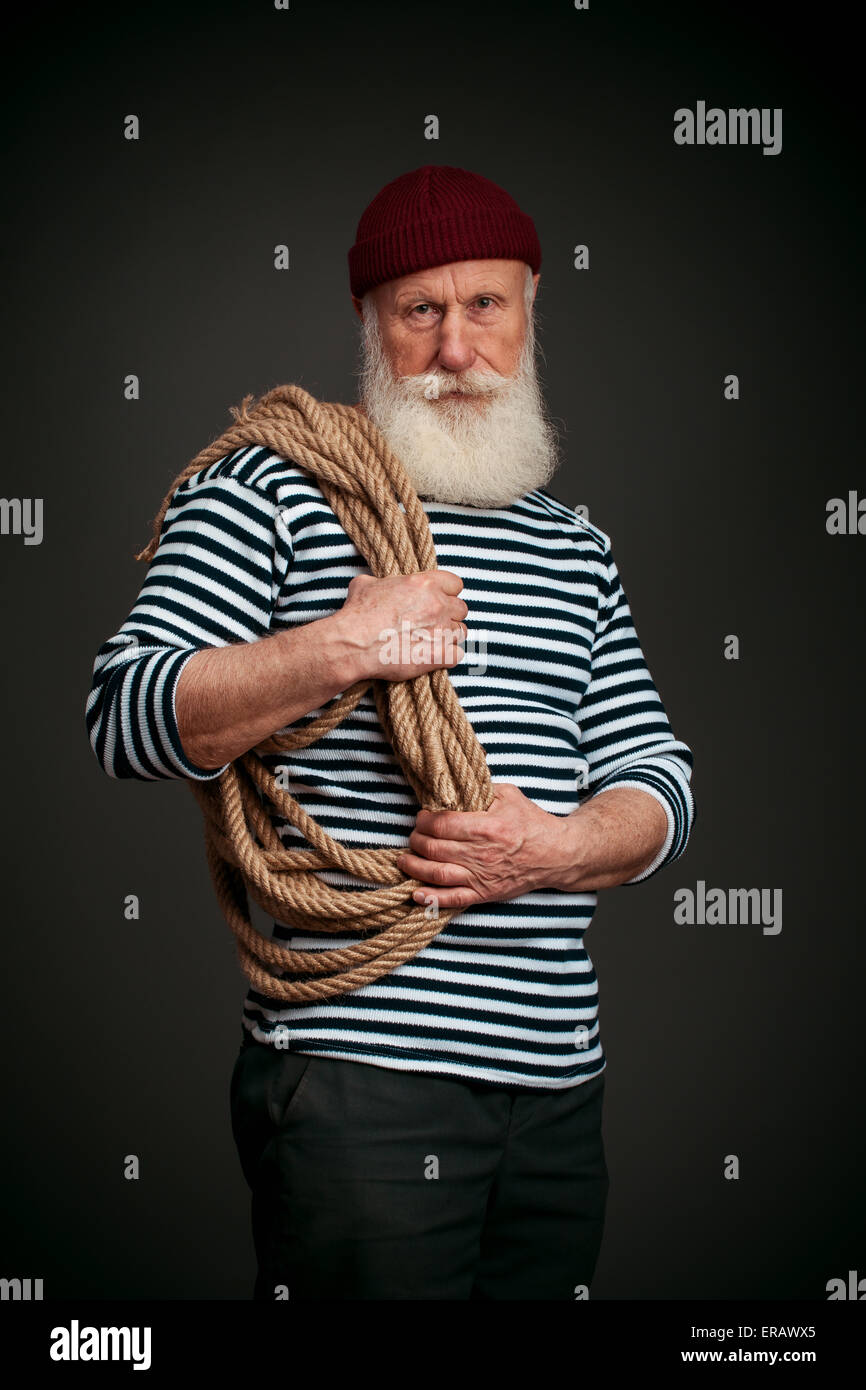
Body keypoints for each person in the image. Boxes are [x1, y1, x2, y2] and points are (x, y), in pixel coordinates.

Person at [85, 164, 695, 1300]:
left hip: (559, 1088)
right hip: (361, 1084)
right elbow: (127, 714)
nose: (456, 350)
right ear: (369, 323)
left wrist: (555, 849)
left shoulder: (576, 546)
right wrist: (343, 646)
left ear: (528, 312)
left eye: (484, 307)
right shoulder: (271, 487)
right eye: (420, 311)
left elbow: (655, 778)